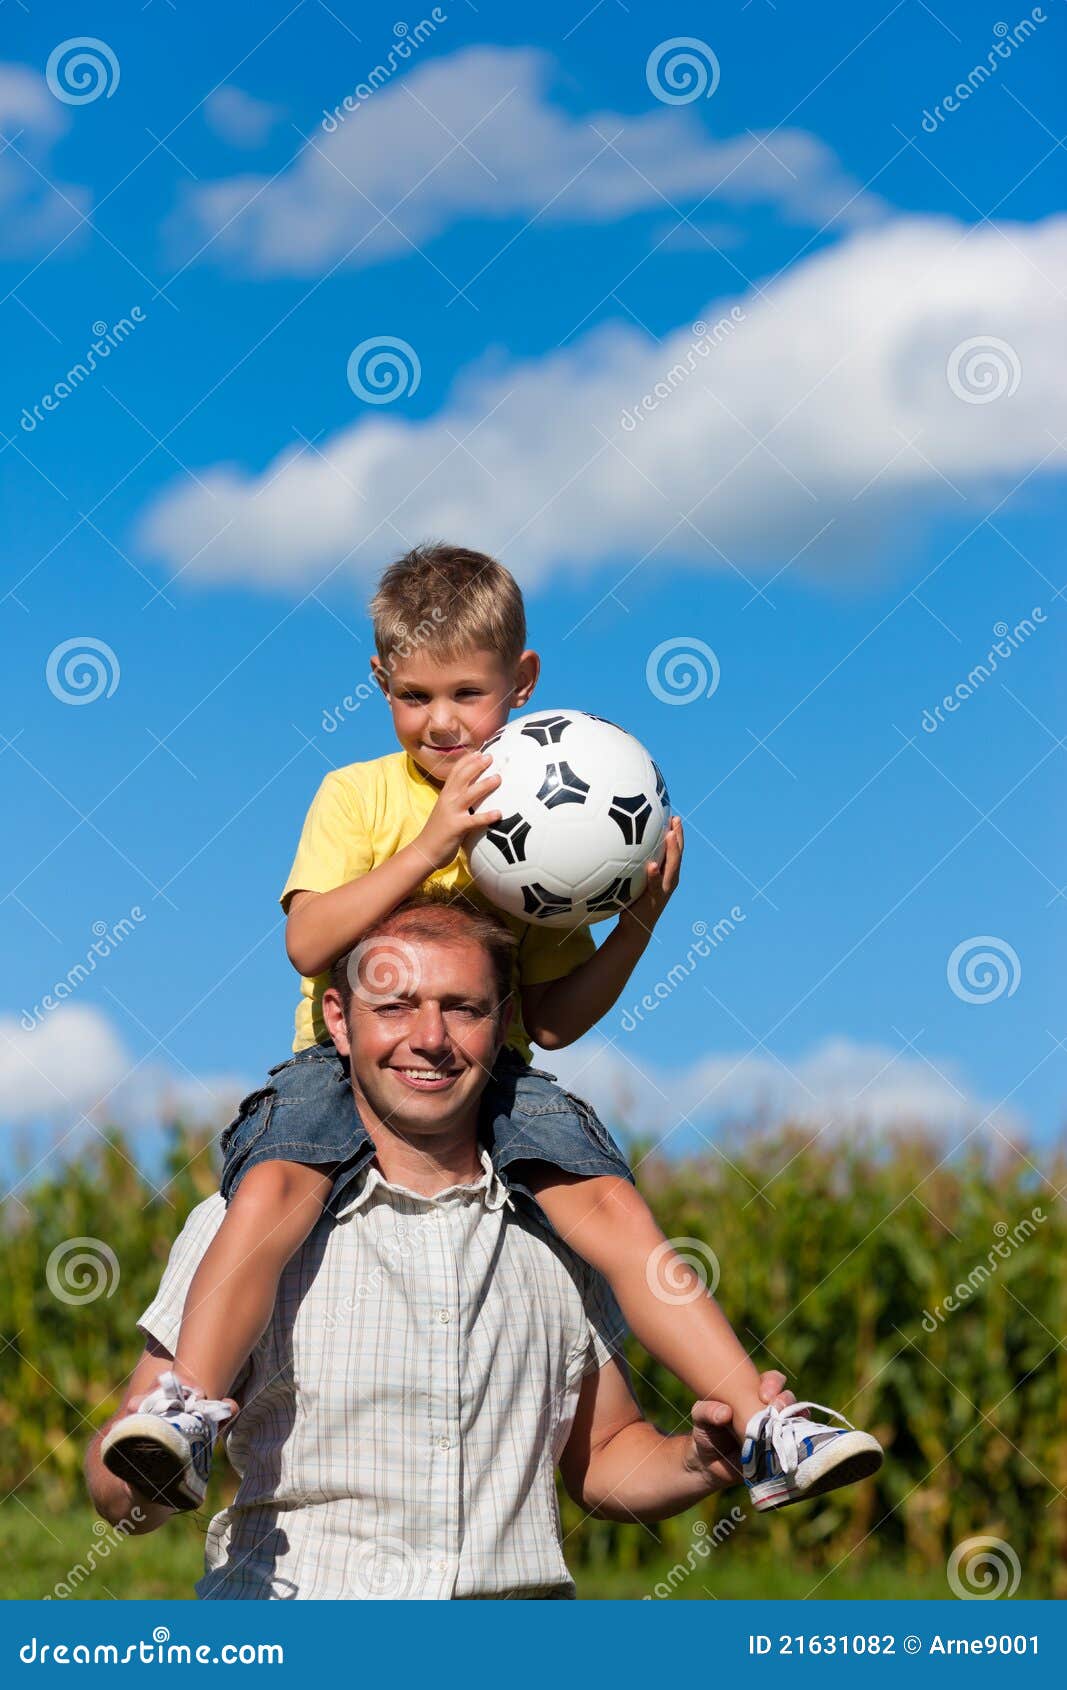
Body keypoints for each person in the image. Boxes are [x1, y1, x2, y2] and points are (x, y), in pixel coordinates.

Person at [100, 543, 882, 1518]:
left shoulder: (547, 810)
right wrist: (431, 846)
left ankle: (762, 1421)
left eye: (466, 693)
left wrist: (634, 926)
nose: (439, 721)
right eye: (413, 695)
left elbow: (551, 1021)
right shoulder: (358, 796)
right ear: (380, 681)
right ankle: (187, 1412)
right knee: (272, 1186)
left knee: (613, 1209)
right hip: (335, 1070)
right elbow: (308, 941)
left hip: (496, 1074)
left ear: (521, 683)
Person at [89, 898, 802, 1599]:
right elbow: (118, 1485)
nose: (430, 1037)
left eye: (462, 1007)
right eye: (395, 1006)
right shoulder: (243, 1223)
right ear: (338, 1021)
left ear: (504, 1022)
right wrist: (142, 1482)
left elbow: (605, 1459)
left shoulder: (561, 1229)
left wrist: (700, 1463)